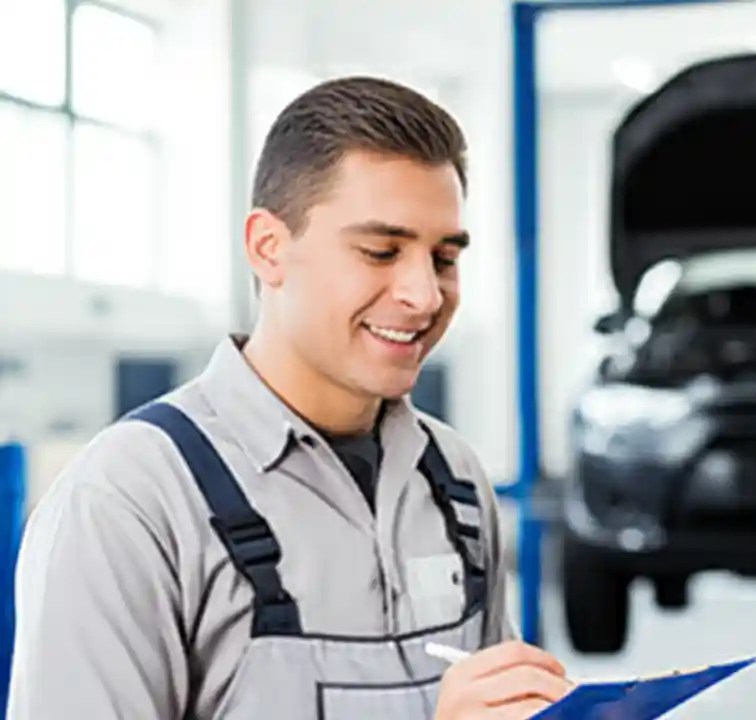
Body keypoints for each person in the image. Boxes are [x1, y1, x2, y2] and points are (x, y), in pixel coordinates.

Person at [8, 77, 572, 719]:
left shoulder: (456, 483)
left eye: (443, 257)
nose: (425, 294)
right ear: (268, 248)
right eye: (381, 251)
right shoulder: (131, 500)